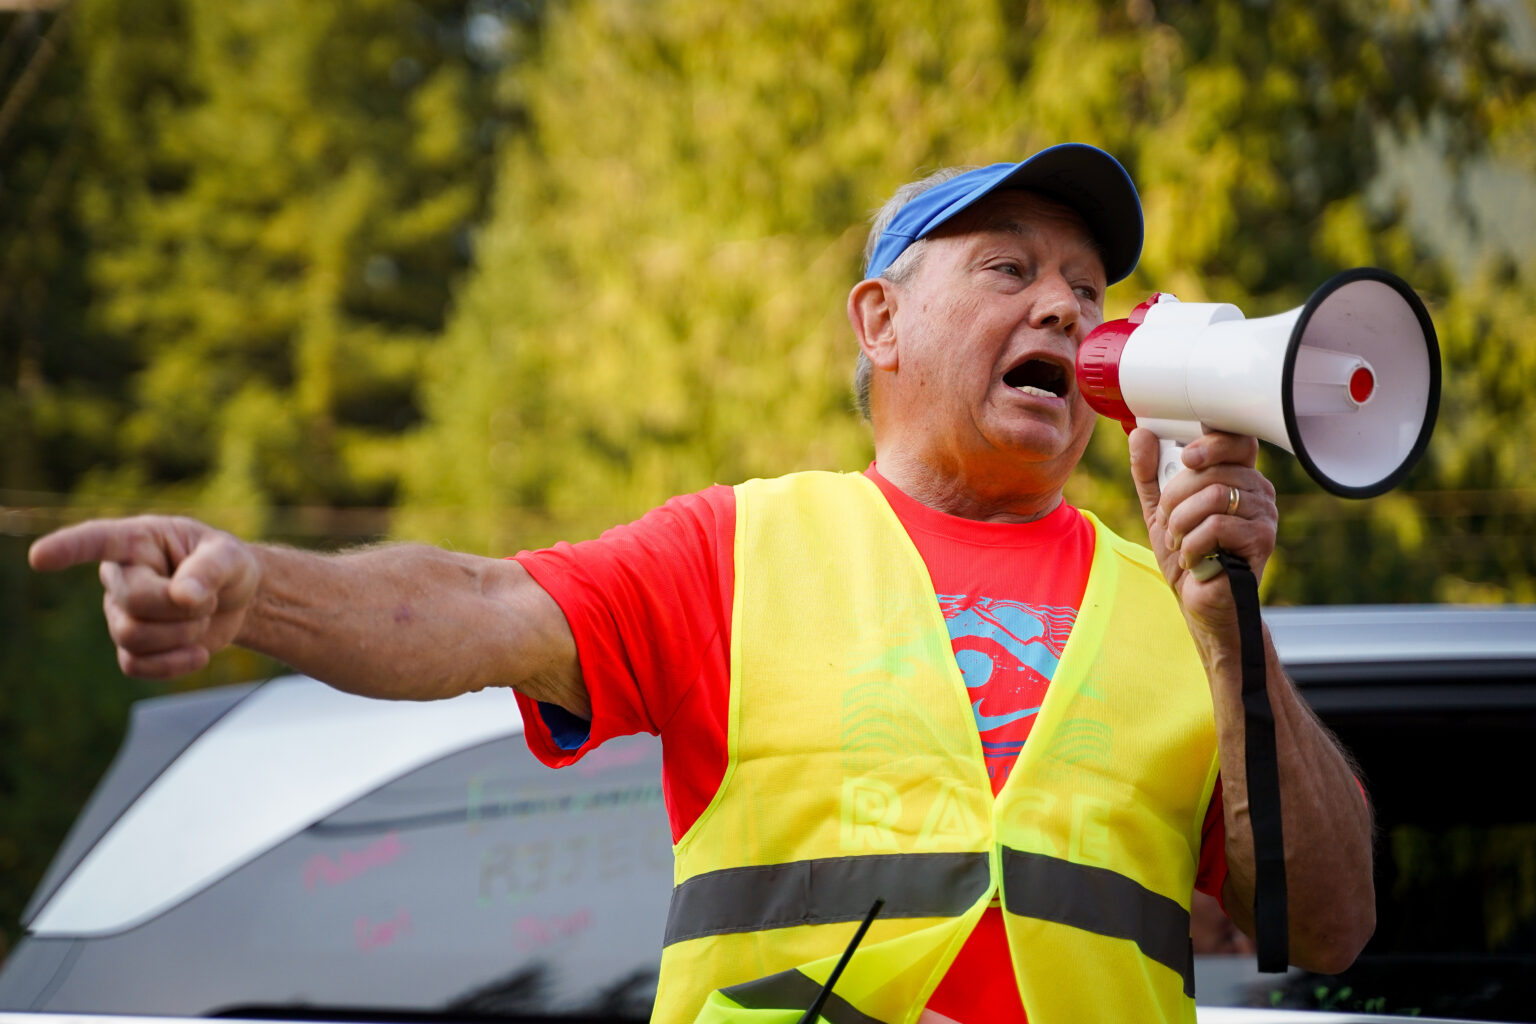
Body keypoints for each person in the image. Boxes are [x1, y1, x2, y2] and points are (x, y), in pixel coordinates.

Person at [29, 143, 1374, 1023]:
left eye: (1089, 288)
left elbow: (1327, 928)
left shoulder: (1173, 605)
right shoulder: (739, 549)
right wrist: (256, 590)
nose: (1069, 312)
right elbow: (476, 605)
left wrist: (1231, 634)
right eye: (1011, 269)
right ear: (879, 320)